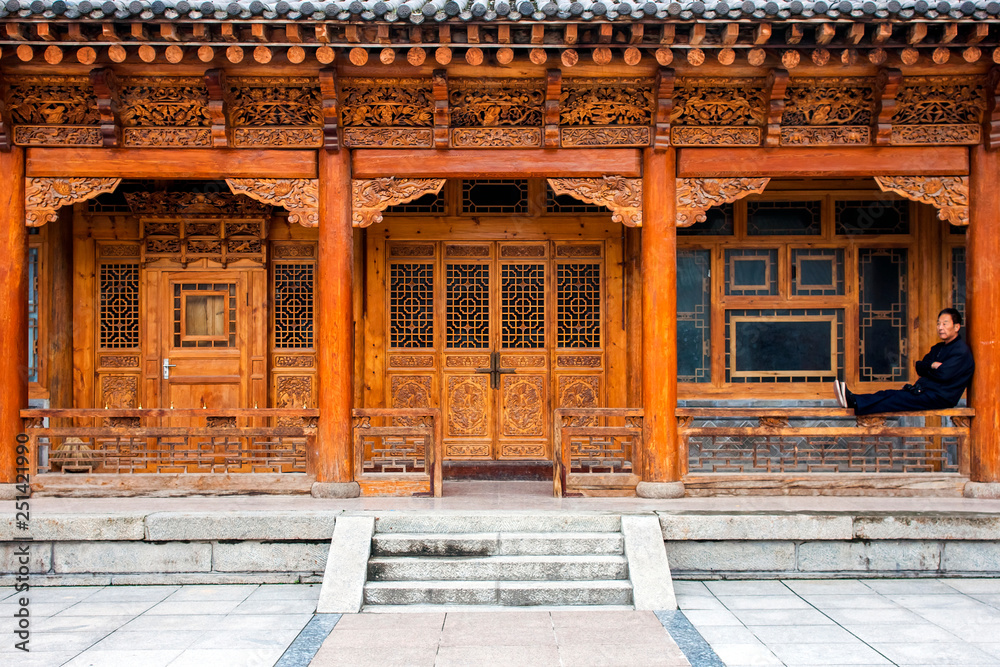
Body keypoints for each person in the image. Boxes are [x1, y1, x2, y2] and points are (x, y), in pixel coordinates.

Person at [834, 308, 974, 416]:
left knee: (896, 398)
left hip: (940, 397)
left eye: (945, 323)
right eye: (938, 324)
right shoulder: (939, 348)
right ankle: (853, 399)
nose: (940, 327)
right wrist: (931, 365)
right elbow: (919, 367)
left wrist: (929, 369)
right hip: (926, 392)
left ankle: (854, 402)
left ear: (956, 327)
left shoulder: (961, 351)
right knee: (888, 393)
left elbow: (943, 374)